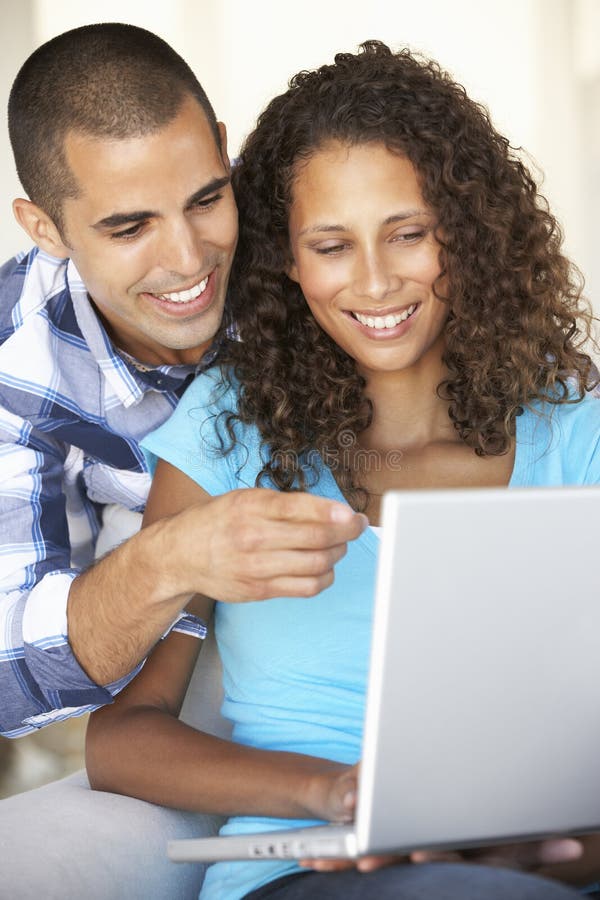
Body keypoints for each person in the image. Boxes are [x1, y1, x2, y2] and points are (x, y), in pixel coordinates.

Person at [86, 41, 600, 900]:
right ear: (287, 259)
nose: (375, 282)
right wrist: (337, 796)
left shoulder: (575, 434)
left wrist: (553, 849)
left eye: (409, 235)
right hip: (309, 872)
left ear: (468, 234)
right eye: (331, 246)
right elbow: (121, 737)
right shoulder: (232, 431)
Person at [0, 22, 364, 898]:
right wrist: (173, 556)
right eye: (129, 226)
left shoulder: (316, 229)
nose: (190, 258)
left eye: (206, 198)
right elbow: (11, 676)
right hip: (170, 650)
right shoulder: (18, 364)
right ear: (45, 226)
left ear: (225, 152)